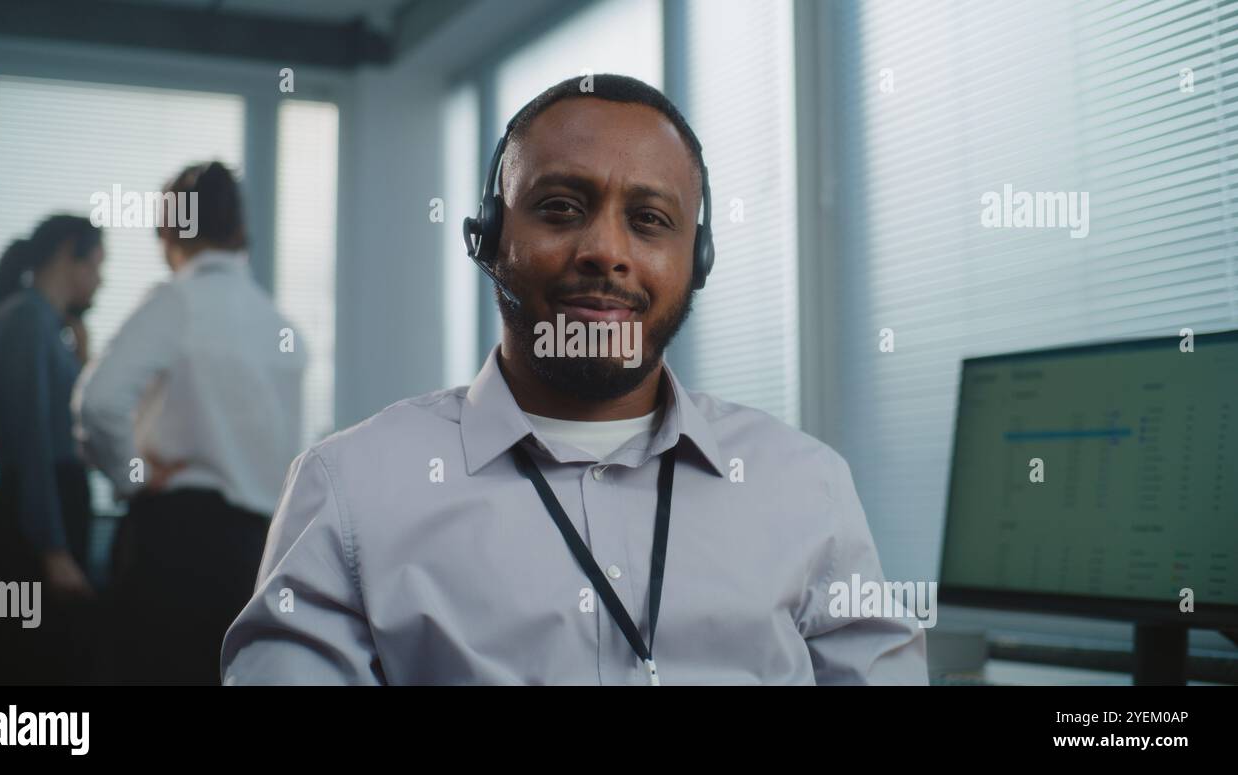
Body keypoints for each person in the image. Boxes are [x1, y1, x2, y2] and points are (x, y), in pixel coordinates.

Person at [222, 75, 928, 685]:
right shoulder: (349, 490)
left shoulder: (808, 486)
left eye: (649, 220)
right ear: (491, 237)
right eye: (561, 208)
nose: (605, 251)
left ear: (698, 259)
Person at [72, 161, 306, 685]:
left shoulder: (176, 302)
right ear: (241, 232)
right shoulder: (281, 328)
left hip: (172, 546)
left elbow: (98, 402)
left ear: (168, 231)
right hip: (258, 558)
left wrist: (131, 473)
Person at [0, 215, 105, 685]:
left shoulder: (48, 327)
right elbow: (32, 442)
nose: (101, 281)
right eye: (98, 265)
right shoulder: (26, 318)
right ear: (70, 253)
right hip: (32, 528)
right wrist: (52, 548)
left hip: (44, 516)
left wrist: (81, 361)